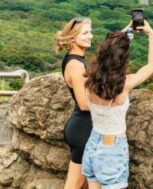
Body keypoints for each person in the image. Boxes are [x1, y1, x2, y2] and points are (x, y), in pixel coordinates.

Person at [81, 20, 153, 189]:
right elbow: (152, 65)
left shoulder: (90, 78)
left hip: (93, 143)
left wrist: (124, 34)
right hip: (112, 149)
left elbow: (110, 50)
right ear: (122, 61)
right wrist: (151, 35)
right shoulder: (123, 85)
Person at [55, 17, 94, 189]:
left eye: (90, 31)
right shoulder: (76, 65)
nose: (90, 36)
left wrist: (127, 32)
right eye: (85, 33)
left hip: (84, 128)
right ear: (72, 38)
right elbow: (84, 104)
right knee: (74, 185)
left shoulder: (76, 58)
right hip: (82, 130)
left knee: (85, 184)